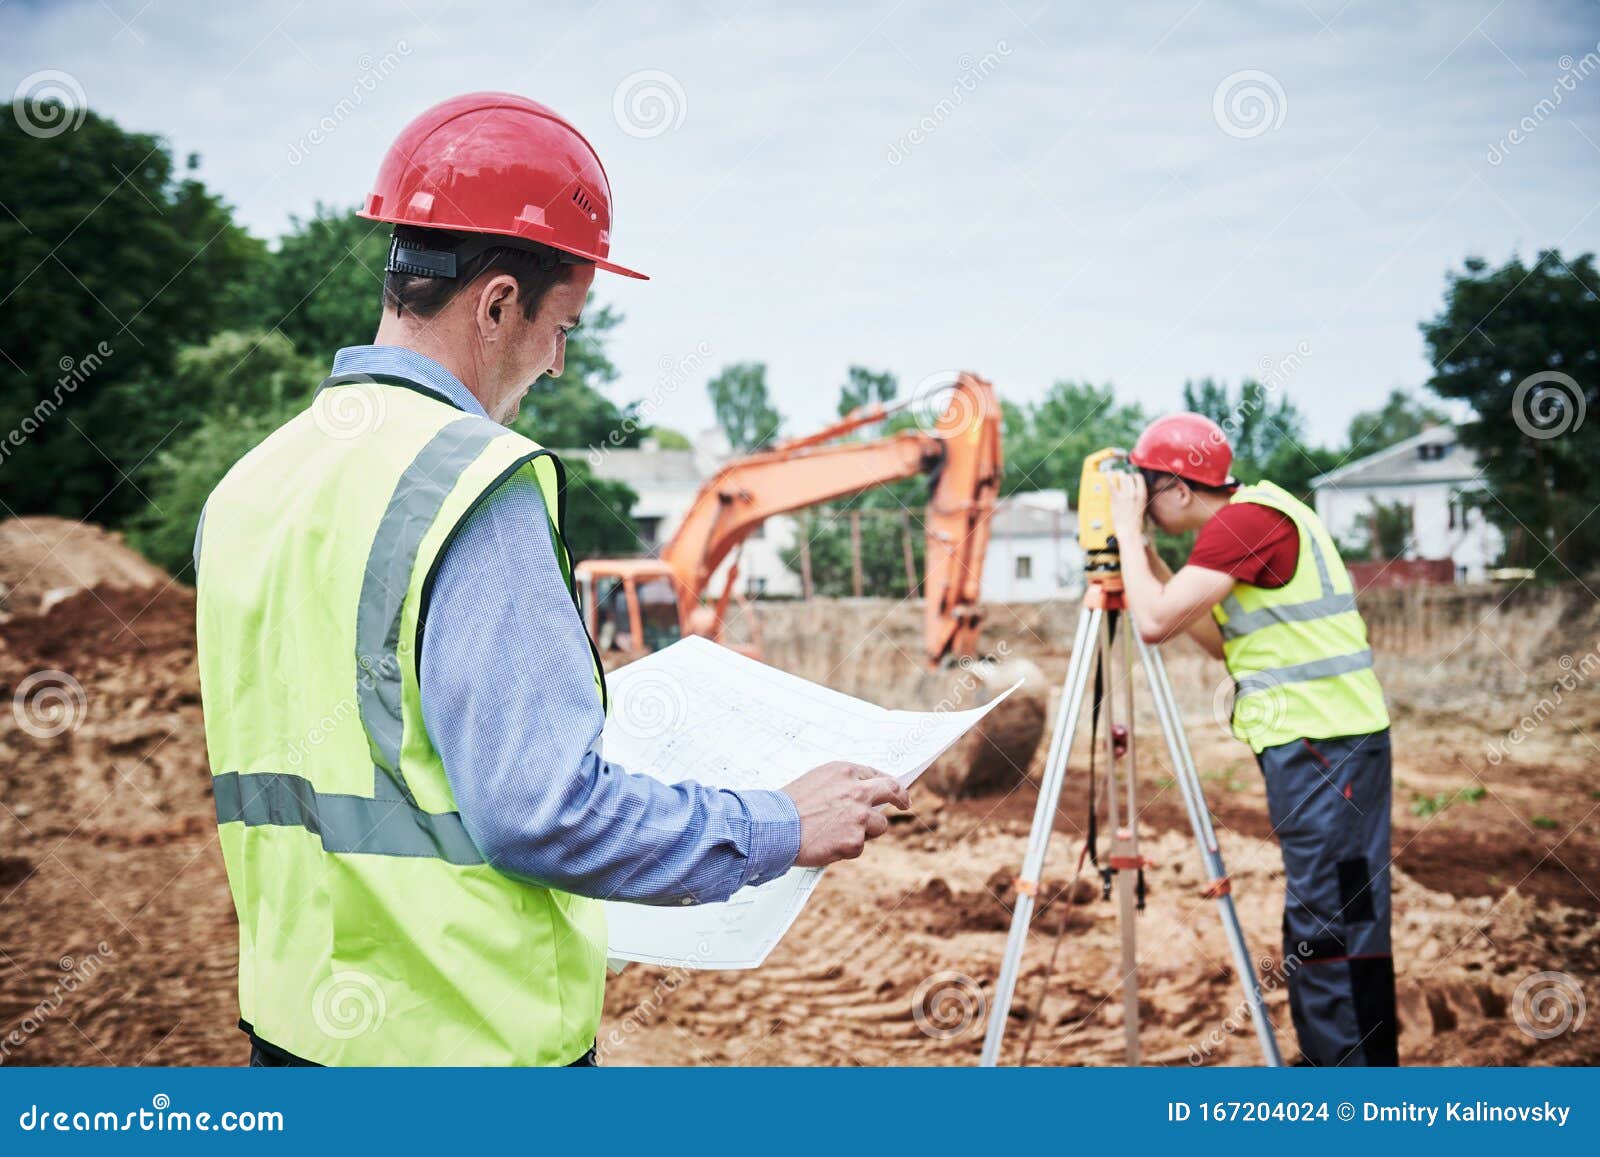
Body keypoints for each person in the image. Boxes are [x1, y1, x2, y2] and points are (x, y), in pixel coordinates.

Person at [194, 92, 907, 1068]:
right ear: (497, 304)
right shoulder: (468, 482)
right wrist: (778, 823)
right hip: (465, 1051)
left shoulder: (250, 485)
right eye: (563, 326)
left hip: (294, 1032)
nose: (559, 362)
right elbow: (544, 811)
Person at [1106, 412, 1397, 1067]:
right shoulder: (1254, 516)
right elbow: (1215, 638)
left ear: (1180, 488)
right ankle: (1341, 1062)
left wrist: (1124, 533)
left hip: (1327, 747)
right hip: (1322, 745)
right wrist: (1145, 554)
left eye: (1147, 489)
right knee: (1329, 913)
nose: (1142, 503)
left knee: (1332, 919)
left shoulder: (1245, 524)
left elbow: (1152, 622)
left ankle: (1350, 1084)